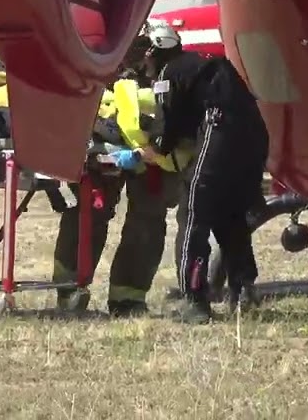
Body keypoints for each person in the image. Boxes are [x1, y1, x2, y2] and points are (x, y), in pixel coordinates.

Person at [109, 21, 269, 323]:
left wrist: (145, 152)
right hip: (255, 135)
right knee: (229, 212)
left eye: (145, 51)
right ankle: (243, 289)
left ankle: (194, 300)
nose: (143, 60)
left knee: (193, 211)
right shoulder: (201, 64)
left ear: (158, 50)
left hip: (220, 128)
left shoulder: (169, 74)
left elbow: (165, 133)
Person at [50, 68, 189, 318]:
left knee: (149, 215)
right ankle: (69, 288)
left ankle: (129, 298)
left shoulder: (153, 40)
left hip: (153, 128)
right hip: (97, 111)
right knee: (90, 209)